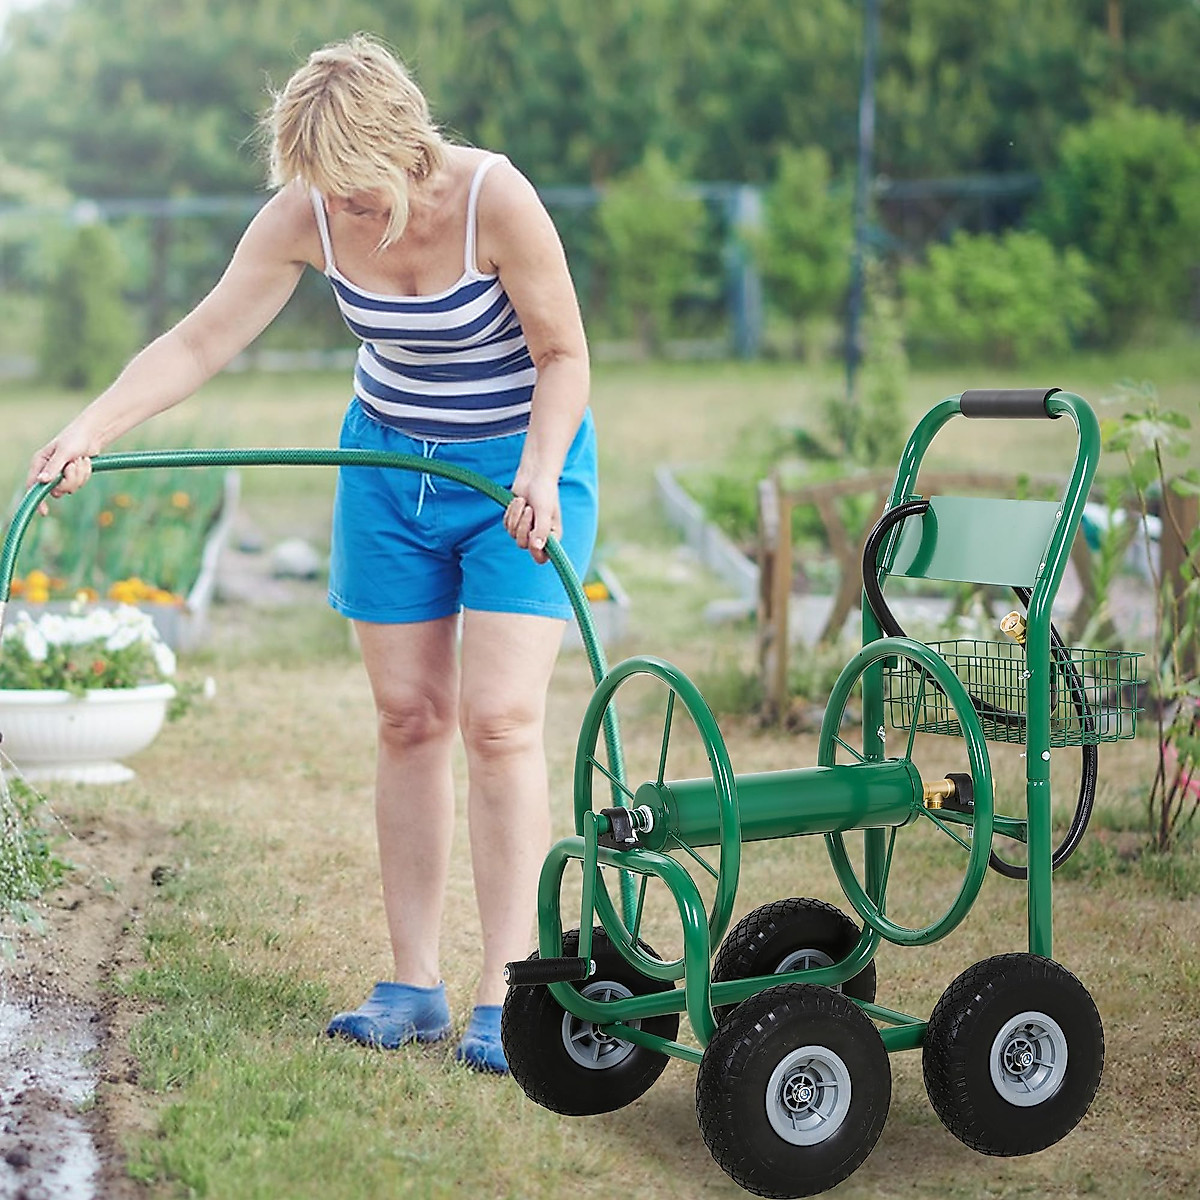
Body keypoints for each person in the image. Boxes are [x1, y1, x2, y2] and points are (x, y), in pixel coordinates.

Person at [27, 34, 598, 1074]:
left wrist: (542, 469)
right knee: (408, 716)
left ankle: (506, 990)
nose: (341, 216)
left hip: (519, 472)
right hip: (385, 470)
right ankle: (414, 984)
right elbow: (201, 338)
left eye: (358, 193)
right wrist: (93, 427)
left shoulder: (493, 200)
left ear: (407, 151)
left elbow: (564, 354)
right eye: (323, 194)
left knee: (502, 720)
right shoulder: (307, 214)